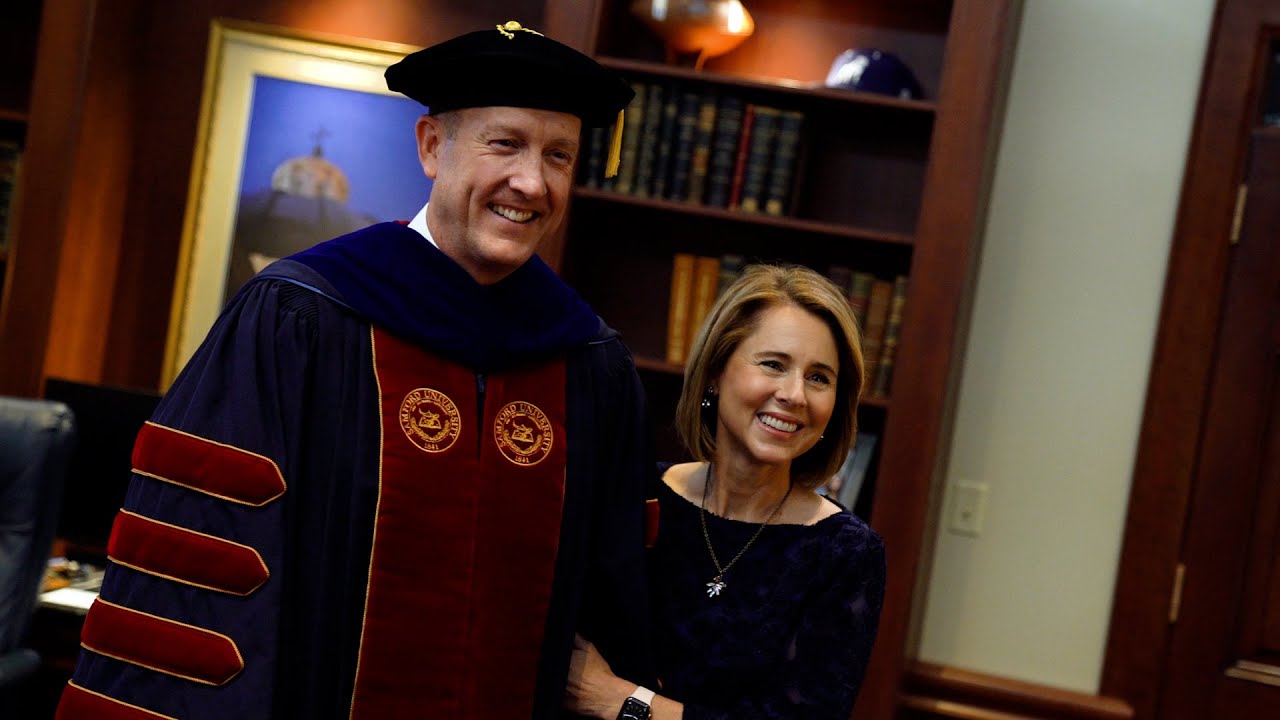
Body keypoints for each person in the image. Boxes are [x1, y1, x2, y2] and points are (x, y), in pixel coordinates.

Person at [56, 21, 655, 720]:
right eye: (506, 143)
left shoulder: (588, 365)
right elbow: (198, 583)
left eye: (559, 155)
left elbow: (615, 612)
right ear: (433, 146)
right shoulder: (302, 317)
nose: (532, 181)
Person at [565, 264, 886, 719]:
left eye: (819, 378)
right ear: (716, 371)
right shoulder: (636, 495)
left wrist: (620, 701)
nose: (795, 394)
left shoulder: (845, 553)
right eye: (773, 364)